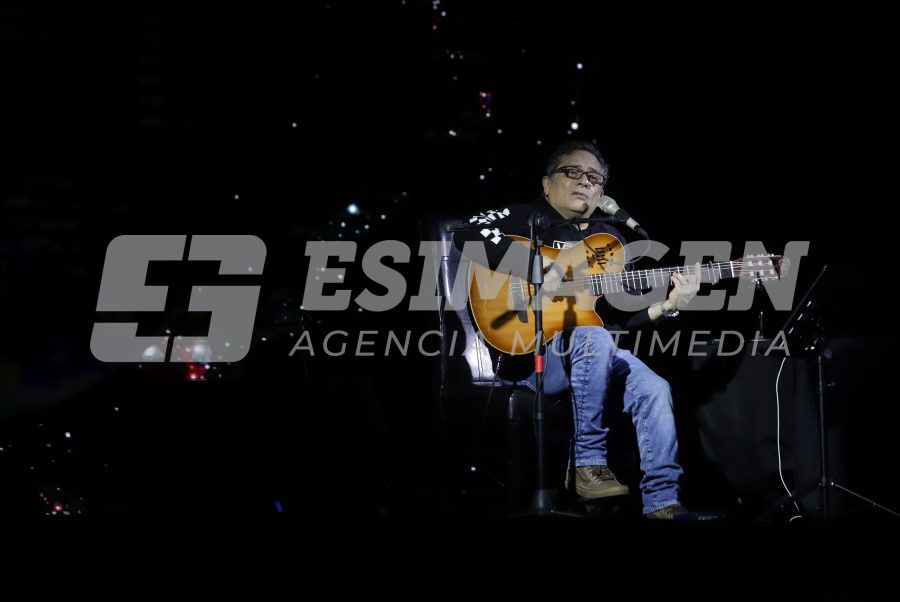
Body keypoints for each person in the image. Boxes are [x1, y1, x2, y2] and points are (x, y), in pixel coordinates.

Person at [452, 140, 700, 519]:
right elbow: (468, 232)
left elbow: (614, 322)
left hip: (586, 355)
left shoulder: (607, 240)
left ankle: (664, 501)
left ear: (602, 193)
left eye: (594, 177)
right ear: (547, 183)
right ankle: (587, 462)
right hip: (527, 358)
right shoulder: (524, 216)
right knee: (592, 337)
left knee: (654, 387)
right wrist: (533, 269)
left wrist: (667, 307)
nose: (584, 180)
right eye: (573, 172)